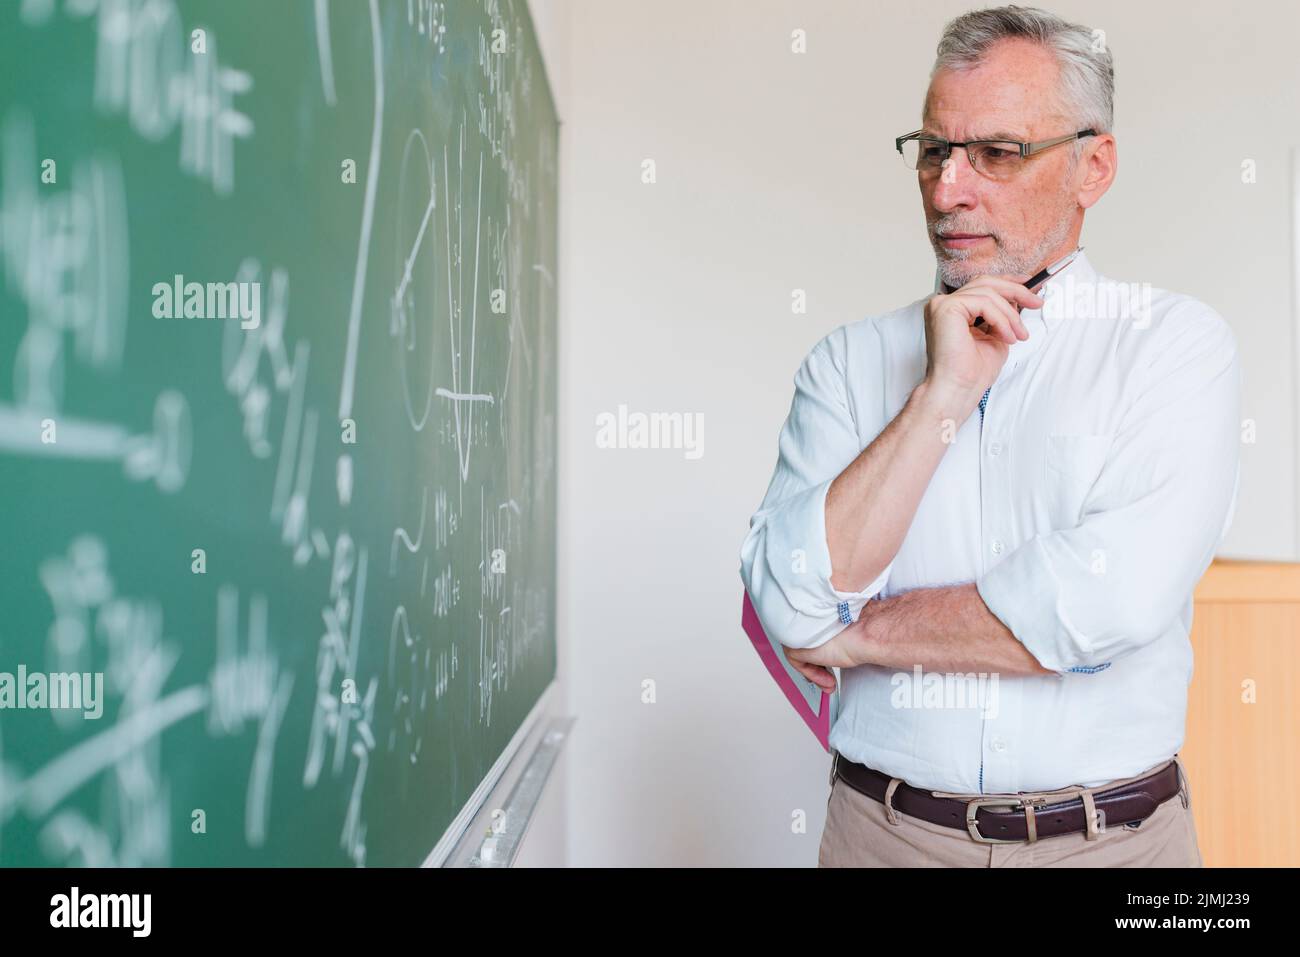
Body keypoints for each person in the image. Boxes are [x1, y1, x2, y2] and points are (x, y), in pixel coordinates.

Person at [737, 4, 1239, 867]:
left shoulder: (1175, 346)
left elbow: (1104, 603)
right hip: (881, 837)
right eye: (934, 149)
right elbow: (787, 601)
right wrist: (941, 395)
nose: (946, 188)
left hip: (1117, 848)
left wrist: (854, 631)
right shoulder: (847, 364)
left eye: (997, 153)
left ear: (1095, 165)